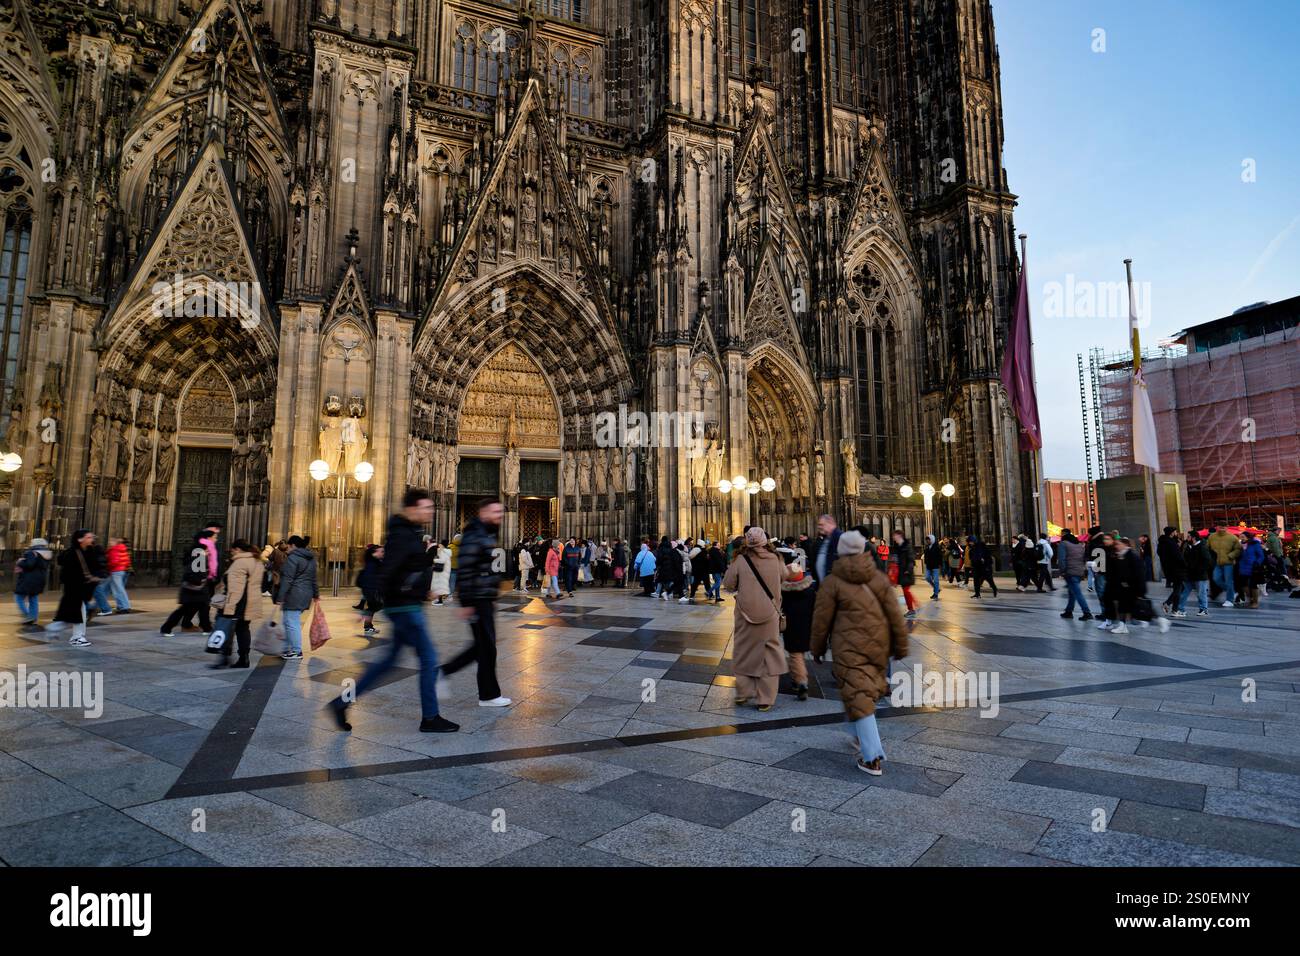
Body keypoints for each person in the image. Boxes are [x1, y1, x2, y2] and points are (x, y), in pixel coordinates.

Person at [329, 488, 458, 734]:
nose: (431, 511)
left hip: (406, 605)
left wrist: (422, 590)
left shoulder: (408, 532)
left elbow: (407, 570)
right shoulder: (402, 535)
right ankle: (430, 717)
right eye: (426, 507)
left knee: (386, 663)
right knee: (429, 659)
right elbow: (388, 572)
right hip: (406, 609)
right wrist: (371, 607)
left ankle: (341, 703)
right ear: (411, 509)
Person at [810, 529, 909, 775]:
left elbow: (822, 620)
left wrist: (818, 648)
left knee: (859, 697)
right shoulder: (879, 578)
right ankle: (856, 733)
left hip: (849, 647)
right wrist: (900, 646)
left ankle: (872, 756)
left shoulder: (833, 581)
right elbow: (895, 616)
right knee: (856, 691)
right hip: (878, 646)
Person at [442, 497, 511, 707]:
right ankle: (486, 694)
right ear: (484, 513)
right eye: (496, 512)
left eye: (501, 513)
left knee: (484, 647)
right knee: (485, 647)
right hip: (477, 599)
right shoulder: (474, 534)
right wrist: (466, 602)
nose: (500, 517)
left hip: (483, 598)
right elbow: (467, 568)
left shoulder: (484, 533)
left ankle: (487, 694)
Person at [722, 526, 789, 712]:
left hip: (745, 613)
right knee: (768, 655)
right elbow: (785, 577)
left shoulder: (740, 560)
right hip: (770, 613)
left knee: (744, 651)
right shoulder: (776, 559)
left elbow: (728, 584)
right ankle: (765, 699)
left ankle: (744, 692)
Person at [212, 540, 263, 669]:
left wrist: (229, 606)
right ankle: (244, 658)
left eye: (233, 550)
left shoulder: (239, 562)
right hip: (250, 601)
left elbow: (236, 588)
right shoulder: (257, 560)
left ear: (239, 549)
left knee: (226, 628)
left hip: (237, 602)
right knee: (243, 630)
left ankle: (224, 658)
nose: (231, 552)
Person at [47, 530, 100, 647]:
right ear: (80, 539)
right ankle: (76, 636)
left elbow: (94, 566)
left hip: (82, 589)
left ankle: (71, 634)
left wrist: (94, 577)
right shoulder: (72, 554)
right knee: (75, 614)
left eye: (92, 537)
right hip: (75, 589)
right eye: (88, 537)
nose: (91, 539)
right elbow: (68, 575)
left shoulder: (88, 551)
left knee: (75, 614)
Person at [778, 540, 815, 700]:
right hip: (806, 626)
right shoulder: (810, 592)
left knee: (795, 654)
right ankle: (797, 678)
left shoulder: (785, 593)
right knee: (799, 653)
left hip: (791, 627)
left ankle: (801, 682)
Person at [161, 531, 216, 637]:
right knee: (188, 608)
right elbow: (195, 572)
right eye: (213, 537)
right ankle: (166, 628)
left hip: (195, 588)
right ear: (206, 540)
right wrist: (202, 580)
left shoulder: (199, 551)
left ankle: (207, 628)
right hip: (195, 588)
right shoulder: (199, 552)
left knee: (200, 607)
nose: (215, 539)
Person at [275, 535, 318, 660]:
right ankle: (287, 648)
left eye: (288, 546)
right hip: (305, 594)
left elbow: (287, 579)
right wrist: (316, 594)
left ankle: (296, 650)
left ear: (293, 545)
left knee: (292, 622)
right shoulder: (310, 558)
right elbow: (314, 578)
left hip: (294, 594)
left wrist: (280, 596)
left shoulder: (293, 558)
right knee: (289, 621)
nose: (286, 548)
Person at [14, 537, 53, 626]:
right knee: (33, 598)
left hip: (28, 579)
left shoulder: (32, 553)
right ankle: (33, 617)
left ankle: (29, 616)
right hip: (40, 579)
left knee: (18, 598)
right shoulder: (47, 554)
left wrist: (20, 562)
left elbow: (29, 565)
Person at [1057, 529, 1094, 620]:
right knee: (1072, 592)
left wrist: (1063, 571)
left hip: (1070, 571)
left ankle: (1087, 612)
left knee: (1077, 593)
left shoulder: (1063, 544)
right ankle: (1068, 611)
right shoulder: (1079, 545)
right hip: (1079, 571)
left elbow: (1062, 559)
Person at [1179, 531, 1213, 617]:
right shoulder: (1189, 547)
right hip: (1189, 574)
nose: (1187, 538)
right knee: (1184, 591)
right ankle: (1180, 609)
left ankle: (1204, 609)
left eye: (1188, 537)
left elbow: (1208, 560)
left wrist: (1200, 570)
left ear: (1193, 538)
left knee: (1201, 593)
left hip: (1200, 575)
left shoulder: (1202, 547)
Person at [1207, 525, 1241, 607]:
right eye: (1220, 527)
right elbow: (1207, 548)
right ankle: (1232, 592)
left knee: (1229, 581)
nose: (1221, 529)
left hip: (1228, 562)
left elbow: (1238, 549)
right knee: (1216, 578)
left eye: (1223, 527)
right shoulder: (1212, 537)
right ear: (1217, 528)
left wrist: (1231, 556)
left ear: (1226, 528)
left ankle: (1230, 600)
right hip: (1217, 562)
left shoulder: (1232, 537)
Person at [1156, 527, 1186, 615]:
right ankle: (1173, 609)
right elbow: (1178, 556)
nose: (1176, 533)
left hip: (1168, 569)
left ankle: (1169, 605)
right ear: (1171, 533)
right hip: (1176, 569)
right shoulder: (1171, 543)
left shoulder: (1161, 543)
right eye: (1175, 531)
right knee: (1178, 588)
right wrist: (1185, 565)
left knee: (1180, 587)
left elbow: (1160, 554)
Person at [889, 530, 917, 617]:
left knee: (906, 591)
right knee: (906, 591)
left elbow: (911, 559)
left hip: (906, 572)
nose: (893, 538)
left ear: (899, 536)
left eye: (895, 536)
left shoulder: (907, 546)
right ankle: (914, 606)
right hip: (901, 572)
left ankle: (911, 609)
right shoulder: (898, 546)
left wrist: (908, 570)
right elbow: (895, 559)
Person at [357, 544, 384, 635]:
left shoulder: (373, 561)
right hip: (371, 589)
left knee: (373, 607)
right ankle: (366, 620)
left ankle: (368, 627)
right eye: (381, 551)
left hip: (370, 589)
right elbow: (370, 578)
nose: (383, 553)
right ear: (375, 553)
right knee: (376, 606)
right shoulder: (373, 563)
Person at [1238, 532, 1268, 609]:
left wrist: (1257, 563)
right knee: (1243, 585)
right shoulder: (1239, 545)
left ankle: (1255, 602)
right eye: (1241, 537)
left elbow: (1261, 555)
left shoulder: (1255, 544)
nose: (1242, 538)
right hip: (1242, 567)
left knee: (1253, 585)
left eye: (1243, 537)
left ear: (1248, 537)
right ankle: (1250, 598)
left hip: (1253, 567)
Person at [811, 514, 841, 588]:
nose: (819, 527)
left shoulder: (840, 538)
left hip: (835, 587)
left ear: (830, 523)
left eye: (821, 524)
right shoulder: (826, 539)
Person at [104, 536, 132, 612]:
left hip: (115, 571)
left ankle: (124, 607)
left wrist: (107, 565)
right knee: (118, 589)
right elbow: (127, 561)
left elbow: (114, 562)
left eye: (111, 541)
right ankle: (122, 606)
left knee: (118, 590)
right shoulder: (122, 549)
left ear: (115, 542)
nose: (109, 543)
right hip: (121, 570)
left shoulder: (114, 549)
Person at [430, 539, 452, 605]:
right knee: (442, 586)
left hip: (441, 571)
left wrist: (435, 560)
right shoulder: (447, 551)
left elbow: (442, 560)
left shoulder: (443, 551)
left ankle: (441, 600)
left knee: (440, 586)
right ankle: (441, 599)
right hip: (445, 570)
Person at [706, 539, 727, 603]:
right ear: (715, 545)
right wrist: (723, 569)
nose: (720, 545)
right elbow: (719, 562)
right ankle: (709, 592)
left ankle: (717, 597)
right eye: (718, 544)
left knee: (717, 582)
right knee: (718, 582)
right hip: (716, 569)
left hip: (714, 569)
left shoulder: (713, 551)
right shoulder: (715, 551)